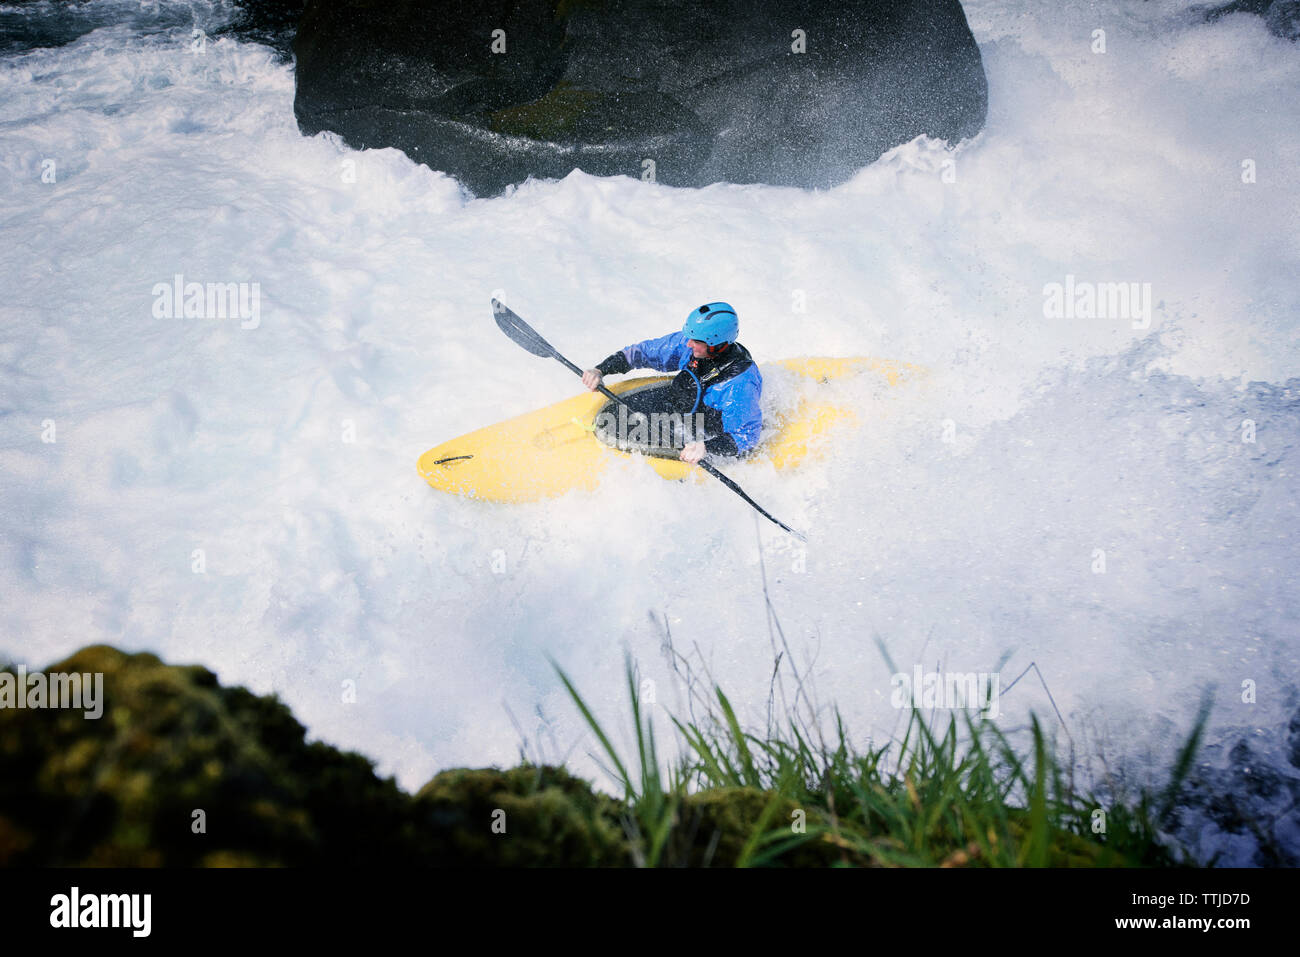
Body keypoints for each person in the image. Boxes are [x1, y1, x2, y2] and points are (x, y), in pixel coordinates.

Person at [582, 302, 762, 465]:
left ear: (717, 344)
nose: (689, 343)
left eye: (697, 342)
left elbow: (746, 434)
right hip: (681, 409)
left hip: (706, 432)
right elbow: (643, 352)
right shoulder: (692, 343)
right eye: (690, 337)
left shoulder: (739, 384)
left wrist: (707, 447)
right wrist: (601, 369)